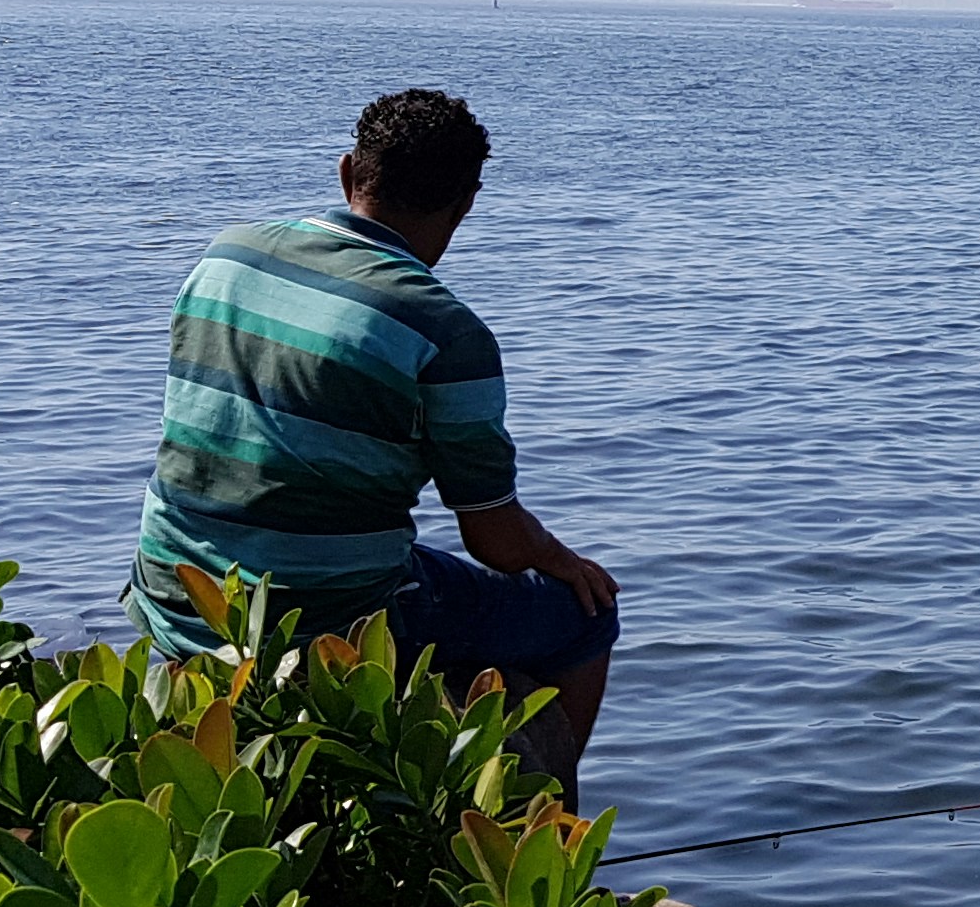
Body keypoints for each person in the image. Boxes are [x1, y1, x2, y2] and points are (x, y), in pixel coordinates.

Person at [128, 87, 622, 800]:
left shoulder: (226, 256)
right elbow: (496, 542)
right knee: (585, 615)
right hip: (326, 615)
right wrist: (561, 559)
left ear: (346, 173)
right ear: (467, 203)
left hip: (177, 584)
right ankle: (546, 844)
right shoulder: (443, 333)